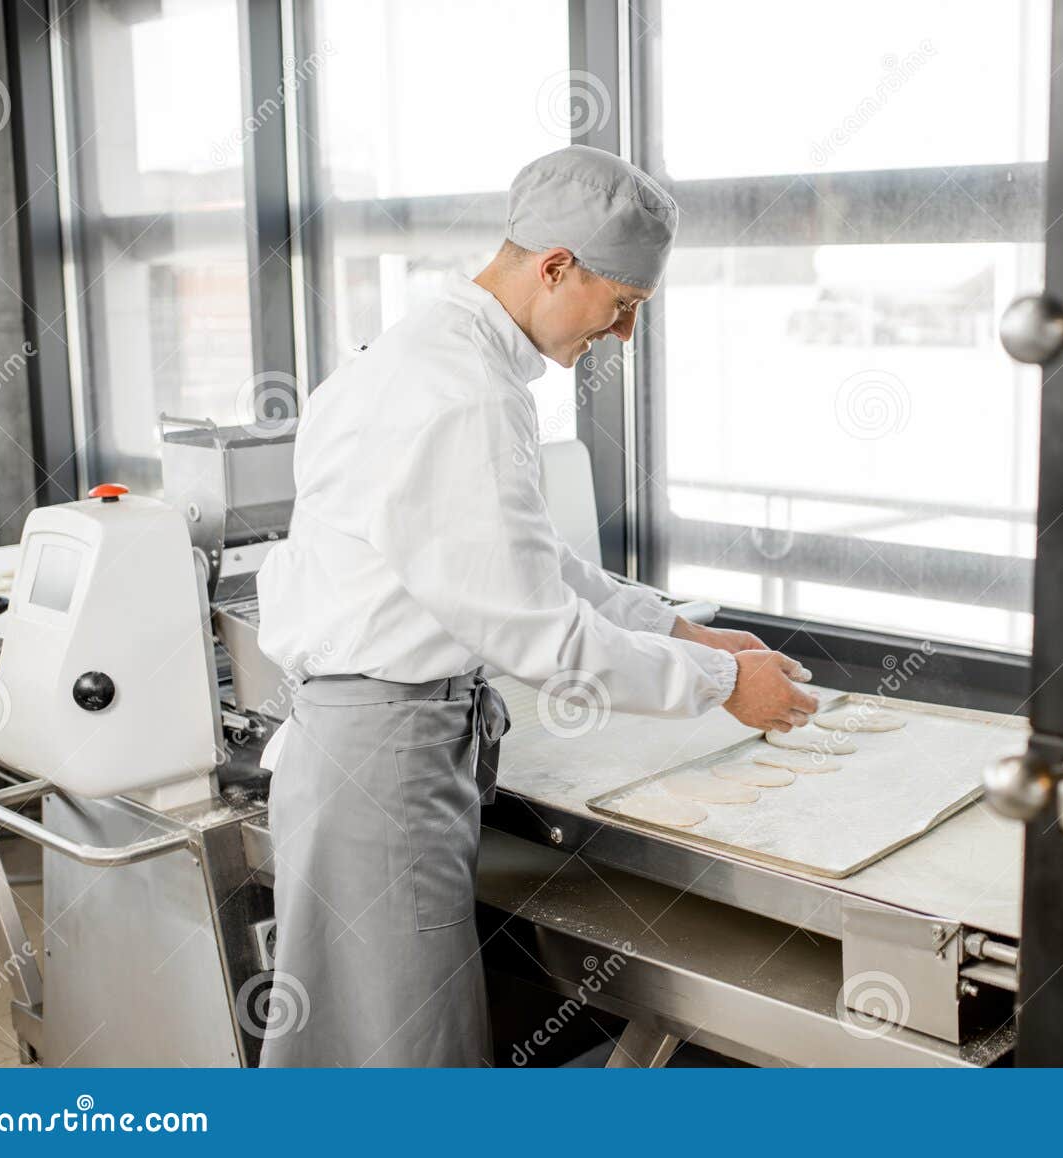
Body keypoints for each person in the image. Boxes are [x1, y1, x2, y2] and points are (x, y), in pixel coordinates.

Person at [254, 145, 817, 1066]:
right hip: (382, 761)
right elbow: (535, 629)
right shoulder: (459, 393)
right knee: (404, 1061)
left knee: (367, 1048)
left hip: (381, 749)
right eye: (623, 308)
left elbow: (527, 561)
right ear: (556, 267)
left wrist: (676, 627)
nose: (625, 336)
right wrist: (720, 683)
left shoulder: (431, 357)